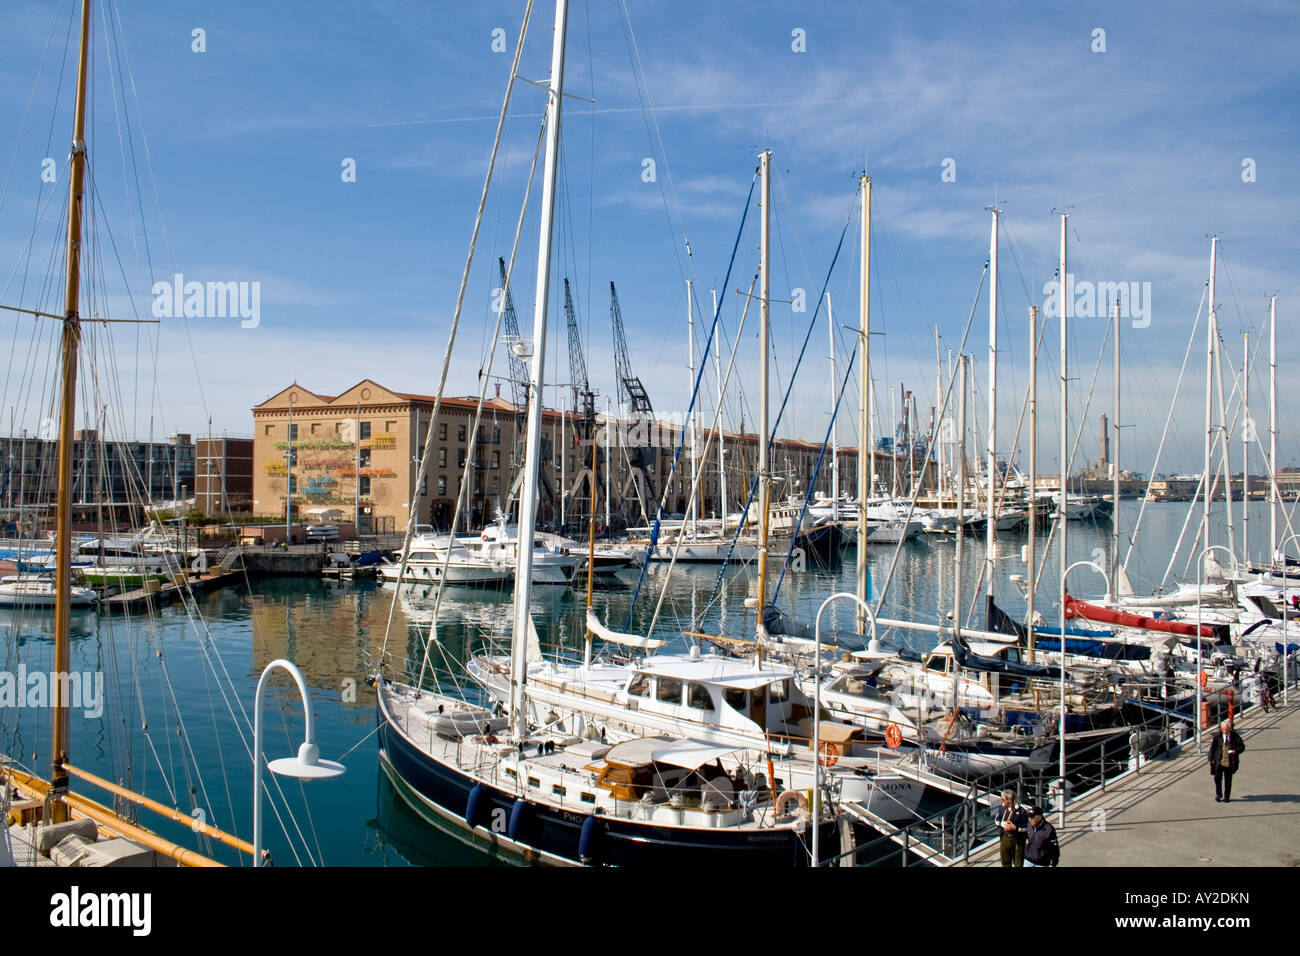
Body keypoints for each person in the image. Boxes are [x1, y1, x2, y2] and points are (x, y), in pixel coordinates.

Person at [1208, 719, 1246, 803]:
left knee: (1228, 780)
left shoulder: (1235, 736)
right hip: (1219, 761)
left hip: (1230, 762)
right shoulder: (1217, 737)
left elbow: (1242, 746)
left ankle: (1226, 796)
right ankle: (1218, 794)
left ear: (1230, 729)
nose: (1225, 731)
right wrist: (1210, 759)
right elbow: (1212, 748)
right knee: (1217, 779)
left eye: (1226, 729)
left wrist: (1235, 751)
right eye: (1223, 729)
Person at [992, 788, 1028, 867]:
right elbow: (996, 820)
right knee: (1005, 862)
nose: (1002, 801)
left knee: (1018, 863)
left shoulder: (1022, 811)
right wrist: (1002, 824)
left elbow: (1026, 827)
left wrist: (1016, 828)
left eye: (1003, 799)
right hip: (1005, 838)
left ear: (1010, 800)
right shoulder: (1001, 808)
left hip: (1017, 840)